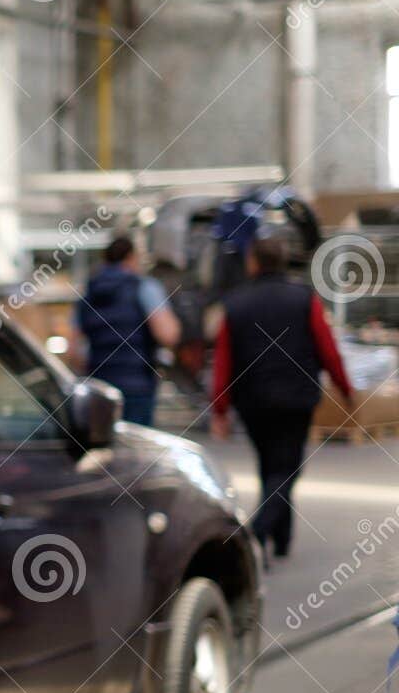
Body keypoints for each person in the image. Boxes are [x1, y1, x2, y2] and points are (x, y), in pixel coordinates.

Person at [208, 230, 350, 561]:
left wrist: (220, 409)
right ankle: (257, 536)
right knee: (287, 468)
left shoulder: (234, 304)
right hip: (296, 399)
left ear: (253, 262)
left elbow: (223, 361)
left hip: (252, 400)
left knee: (271, 465)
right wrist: (346, 389)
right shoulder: (304, 298)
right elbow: (327, 348)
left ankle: (280, 539)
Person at [71, 234, 180, 426]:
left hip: (100, 387)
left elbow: (74, 353)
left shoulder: (87, 294)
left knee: (106, 445)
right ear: (131, 257)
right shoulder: (145, 287)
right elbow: (167, 334)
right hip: (137, 386)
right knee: (137, 446)